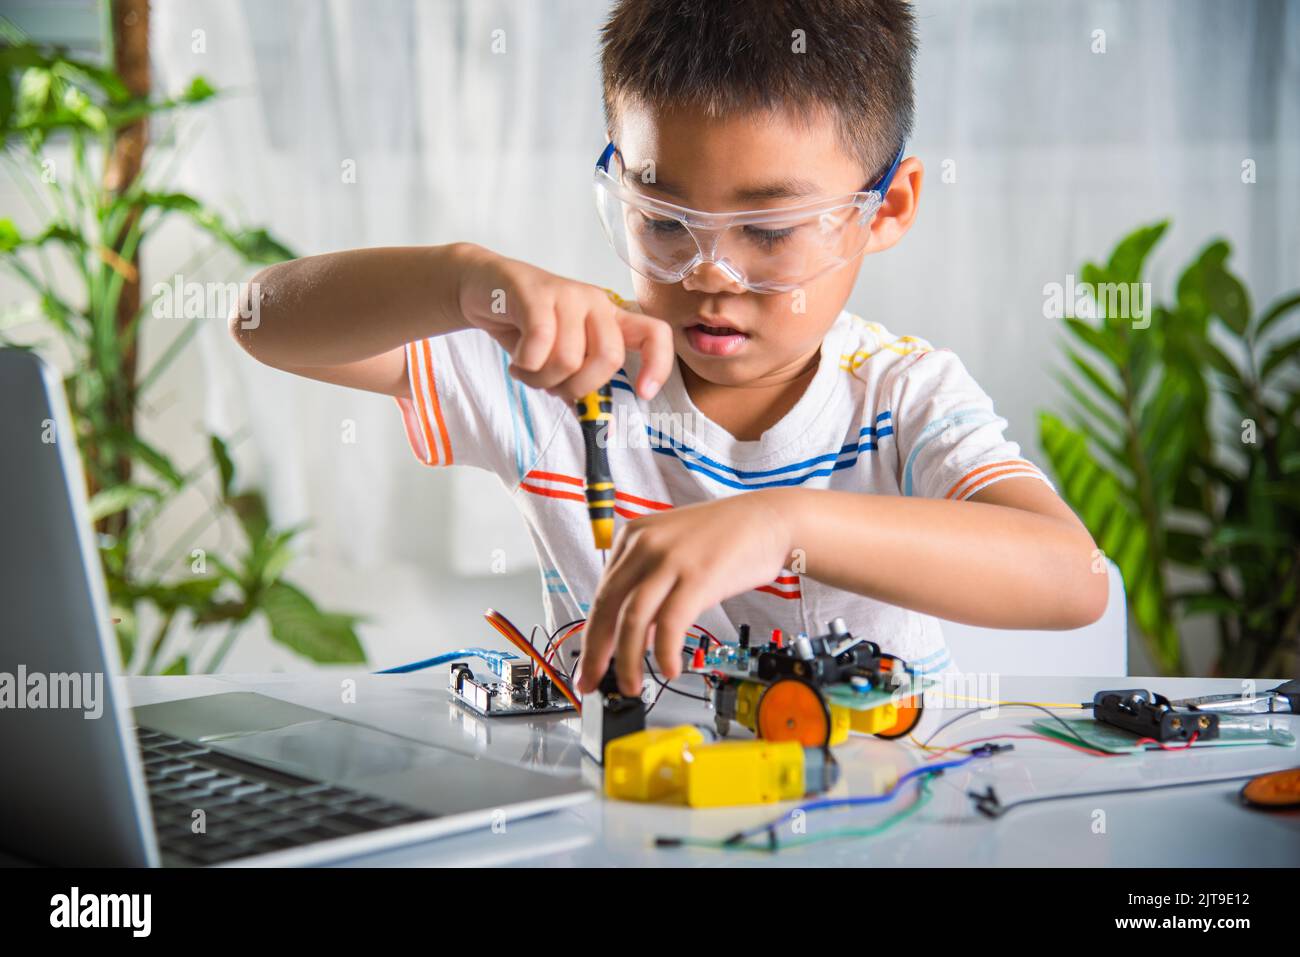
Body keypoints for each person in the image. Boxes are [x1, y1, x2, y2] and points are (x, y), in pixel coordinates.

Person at [231, 0, 1107, 699]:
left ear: (888, 208)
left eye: (769, 230)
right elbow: (262, 321)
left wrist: (783, 524)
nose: (711, 275)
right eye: (664, 222)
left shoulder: (899, 395)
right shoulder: (562, 367)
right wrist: (462, 278)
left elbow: (1073, 580)